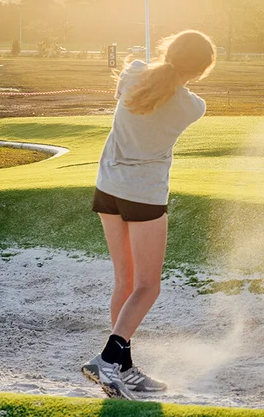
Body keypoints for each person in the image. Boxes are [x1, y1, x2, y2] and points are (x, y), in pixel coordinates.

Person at [81, 30, 215, 400]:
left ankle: (121, 367)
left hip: (108, 188)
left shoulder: (133, 73)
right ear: (202, 70)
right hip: (144, 196)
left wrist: (151, 63)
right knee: (147, 286)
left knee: (125, 282)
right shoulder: (193, 106)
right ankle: (109, 358)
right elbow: (166, 87)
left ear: (167, 50)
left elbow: (136, 73)